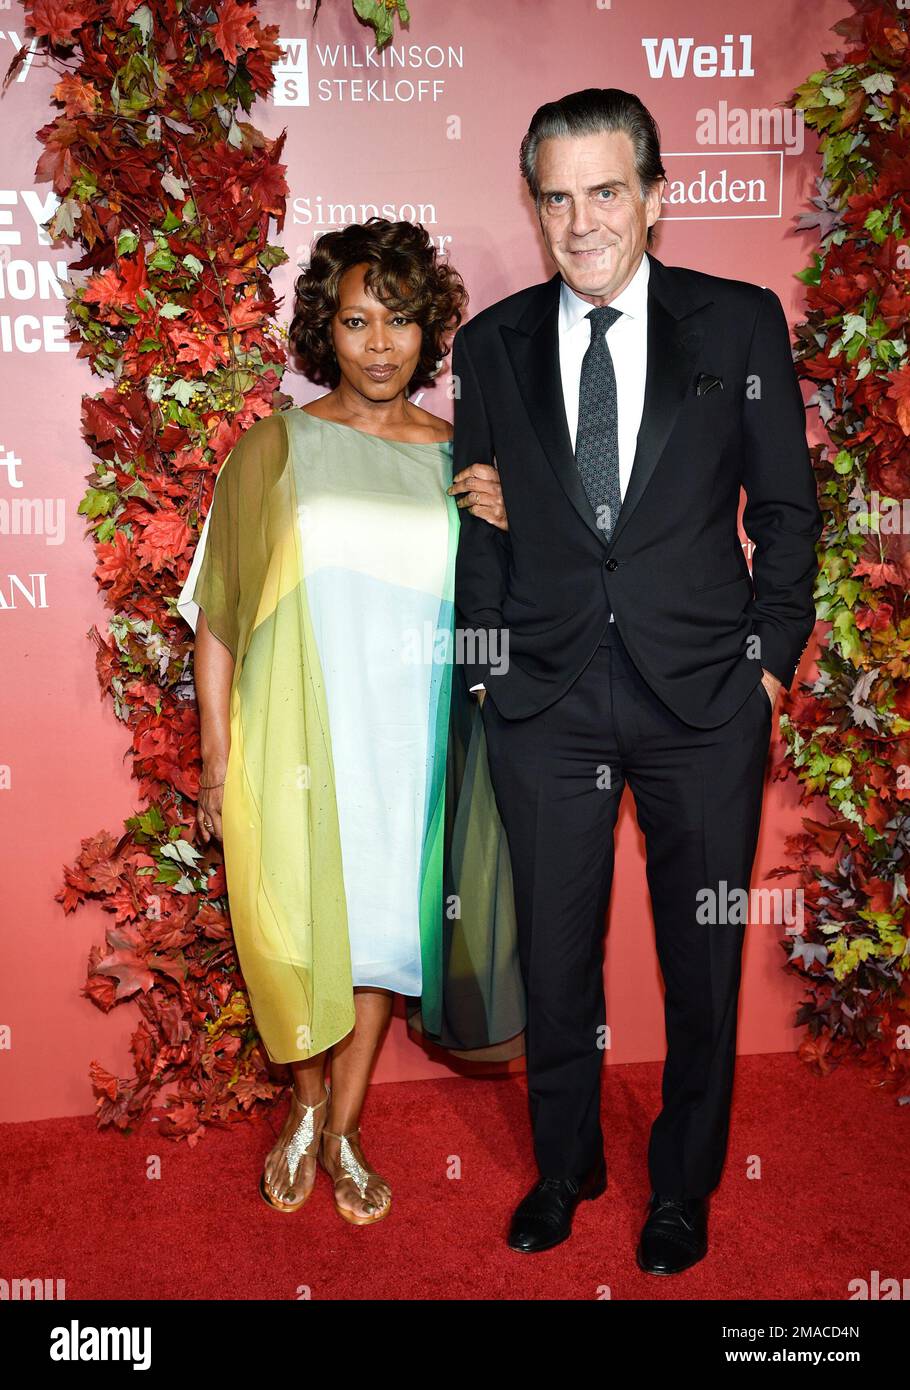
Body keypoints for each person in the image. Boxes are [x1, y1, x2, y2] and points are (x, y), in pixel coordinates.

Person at [452, 88, 822, 1269]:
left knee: (698, 959)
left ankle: (682, 1185)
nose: (580, 223)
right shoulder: (490, 345)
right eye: (555, 197)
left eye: (605, 191)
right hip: (545, 701)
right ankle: (564, 1166)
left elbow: (786, 512)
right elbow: (480, 531)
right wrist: (479, 675)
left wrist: (767, 664)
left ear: (654, 199)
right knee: (553, 956)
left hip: (704, 702)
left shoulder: (738, 322)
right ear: (535, 205)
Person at [177, 218, 513, 1224]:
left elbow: (515, 610)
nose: (378, 344)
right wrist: (214, 765)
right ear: (327, 327)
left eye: (400, 321)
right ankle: (305, 1107)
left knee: (380, 939)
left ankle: (345, 1129)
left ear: (428, 330)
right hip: (295, 746)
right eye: (358, 320)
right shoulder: (273, 450)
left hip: (411, 744)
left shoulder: (464, 460)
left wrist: (506, 521)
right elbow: (220, 619)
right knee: (293, 935)